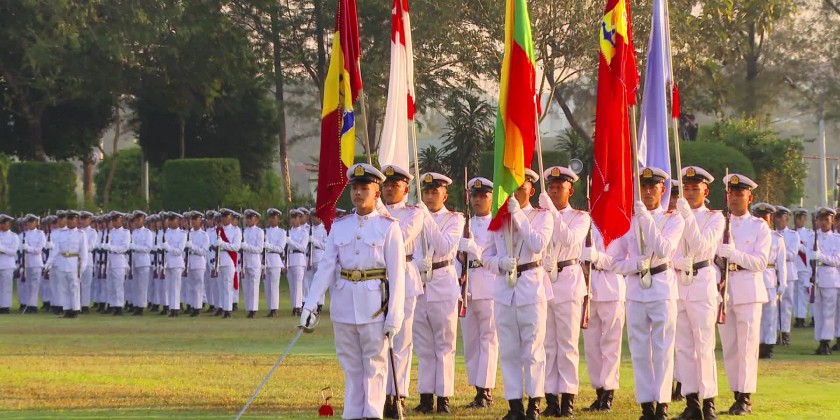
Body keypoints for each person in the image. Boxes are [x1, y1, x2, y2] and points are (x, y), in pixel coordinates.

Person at [300, 163, 406, 420]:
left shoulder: (389, 227)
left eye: (364, 188)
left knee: (375, 365)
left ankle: (372, 414)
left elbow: (398, 275)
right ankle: (352, 414)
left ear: (377, 192)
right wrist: (310, 304)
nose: (358, 193)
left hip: (374, 306)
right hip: (344, 304)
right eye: (355, 188)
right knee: (350, 365)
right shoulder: (340, 226)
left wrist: (395, 315)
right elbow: (326, 267)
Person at [612, 167, 684, 420]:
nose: (648, 191)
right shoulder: (627, 220)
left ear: (663, 190)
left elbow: (664, 249)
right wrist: (634, 266)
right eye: (643, 187)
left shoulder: (674, 219)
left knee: (663, 349)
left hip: (662, 287)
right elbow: (614, 261)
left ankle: (662, 403)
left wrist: (645, 220)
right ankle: (646, 406)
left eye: (653, 187)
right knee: (640, 351)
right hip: (635, 289)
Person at [482, 168, 553, 420]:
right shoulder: (498, 219)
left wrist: (518, 215)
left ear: (531, 190)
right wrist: (500, 262)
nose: (515, 193)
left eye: (521, 188)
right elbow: (485, 255)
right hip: (504, 290)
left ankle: (534, 405)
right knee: (509, 350)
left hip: (531, 289)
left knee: (533, 350)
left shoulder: (542, 216)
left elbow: (537, 244)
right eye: (512, 187)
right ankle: (514, 407)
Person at [671, 166, 725, 420]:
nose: (691, 193)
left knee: (704, 345)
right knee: (683, 347)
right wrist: (675, 261)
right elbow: (667, 250)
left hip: (702, 283)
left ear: (706, 190)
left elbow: (702, 245)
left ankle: (709, 402)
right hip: (679, 284)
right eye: (687, 188)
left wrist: (687, 217)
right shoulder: (674, 216)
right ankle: (691, 401)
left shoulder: (715, 217)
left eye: (696, 188)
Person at [716, 173, 770, 415]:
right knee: (730, 347)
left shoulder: (759, 226)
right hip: (725, 290)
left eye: (740, 194)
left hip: (748, 289)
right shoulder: (718, 222)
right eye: (731, 193)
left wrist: (734, 254)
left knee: (747, 346)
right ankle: (735, 393)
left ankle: (745, 398)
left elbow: (760, 262)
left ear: (750, 197)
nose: (735, 198)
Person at [539, 166, 590, 417]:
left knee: (567, 344)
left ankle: (568, 398)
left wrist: (550, 212)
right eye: (551, 187)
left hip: (568, 281)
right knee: (547, 343)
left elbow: (569, 239)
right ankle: (550, 398)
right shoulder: (542, 215)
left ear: (570, 190)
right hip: (544, 280)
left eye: (560, 188)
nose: (555, 190)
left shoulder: (580, 217)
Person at [412, 172, 464, 415]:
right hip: (418, 286)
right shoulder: (415, 217)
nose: (430, 196)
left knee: (444, 345)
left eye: (435, 192)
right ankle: (425, 397)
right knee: (423, 346)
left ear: (445, 194)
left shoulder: (455, 219)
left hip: (443, 284)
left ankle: (443, 398)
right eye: (427, 192)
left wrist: (426, 219)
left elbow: (444, 246)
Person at [380, 164, 424, 418]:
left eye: (394, 185)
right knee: (377, 341)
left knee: (402, 341)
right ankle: (380, 393)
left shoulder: (414, 213)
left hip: (404, 273)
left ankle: (398, 396)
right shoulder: (373, 212)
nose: (388, 189)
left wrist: (378, 211)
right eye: (385, 185)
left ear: (405, 189)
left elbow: (400, 237)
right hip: (377, 276)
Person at [457, 177, 499, 410]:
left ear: (491, 198)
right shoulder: (465, 224)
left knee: (488, 341)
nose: (478, 200)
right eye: (474, 196)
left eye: (483, 195)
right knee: (472, 342)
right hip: (468, 287)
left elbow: (494, 257)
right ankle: (477, 388)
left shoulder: (497, 225)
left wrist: (474, 249)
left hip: (488, 284)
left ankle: (487, 390)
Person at [580, 224, 626, 412]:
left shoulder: (621, 226)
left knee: (610, 345)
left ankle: (608, 392)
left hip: (612, 288)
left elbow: (622, 261)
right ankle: (598, 391)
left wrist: (598, 258)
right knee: (591, 346)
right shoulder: (587, 226)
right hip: (590, 288)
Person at [751, 203, 786, 360]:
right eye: (760, 217)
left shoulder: (777, 239)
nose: (763, 221)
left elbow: (782, 264)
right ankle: (756, 345)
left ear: (770, 218)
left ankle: (769, 345)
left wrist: (782, 283)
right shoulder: (751, 235)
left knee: (770, 315)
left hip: (770, 278)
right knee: (755, 314)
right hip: (754, 277)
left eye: (766, 218)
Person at [45, 211, 89, 318]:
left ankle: (75, 310)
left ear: (76, 220)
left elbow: (84, 252)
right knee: (63, 288)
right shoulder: (61, 234)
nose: (70, 221)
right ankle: (67, 309)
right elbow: (56, 250)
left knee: (74, 287)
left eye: (72, 219)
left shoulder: (81, 234)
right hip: (62, 262)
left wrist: (82, 267)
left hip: (74, 262)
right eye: (68, 219)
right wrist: (49, 262)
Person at [810, 207, 840, 355]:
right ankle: (820, 340)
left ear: (832, 221)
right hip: (816, 278)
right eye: (821, 220)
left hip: (830, 278)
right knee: (818, 312)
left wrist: (820, 257)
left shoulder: (837, 239)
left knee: (829, 312)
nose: (823, 223)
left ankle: (826, 342)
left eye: (826, 220)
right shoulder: (813, 237)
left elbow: (837, 260)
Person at [775, 206, 800, 345]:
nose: (779, 220)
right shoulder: (771, 234)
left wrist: (778, 255)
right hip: (774, 273)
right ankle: (775, 332)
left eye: (782, 217)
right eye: (777, 217)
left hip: (788, 273)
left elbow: (792, 255)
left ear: (787, 219)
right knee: (774, 306)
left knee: (786, 305)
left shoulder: (793, 235)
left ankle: (785, 333)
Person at [215, 209, 241, 319]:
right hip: (220, 260)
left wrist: (223, 244)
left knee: (228, 286)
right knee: (220, 286)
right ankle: (222, 307)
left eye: (226, 216)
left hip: (229, 260)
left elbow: (236, 247)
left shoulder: (236, 230)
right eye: (222, 217)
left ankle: (228, 310)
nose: (224, 219)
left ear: (230, 218)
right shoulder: (218, 230)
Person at [240, 209, 265, 319]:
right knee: (246, 287)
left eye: (251, 218)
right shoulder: (243, 231)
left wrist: (246, 247)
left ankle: (253, 309)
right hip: (245, 262)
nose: (248, 220)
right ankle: (248, 308)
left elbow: (259, 249)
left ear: (256, 219)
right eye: (247, 218)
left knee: (254, 287)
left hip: (254, 262)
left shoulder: (259, 232)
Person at [263, 208, 287, 318]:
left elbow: (280, 248)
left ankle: (274, 309)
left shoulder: (282, 232)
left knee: (274, 286)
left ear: (278, 219)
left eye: (274, 218)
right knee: (267, 286)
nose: (272, 220)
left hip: (275, 260)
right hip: (266, 260)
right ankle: (270, 308)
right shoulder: (264, 231)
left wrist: (268, 246)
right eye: (270, 218)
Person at [20, 214, 46, 313]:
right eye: (28, 222)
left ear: (36, 223)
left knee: (35, 285)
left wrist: (28, 248)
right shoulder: (24, 234)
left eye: (32, 222)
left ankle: (33, 306)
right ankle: (28, 304)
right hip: (27, 263)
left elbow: (39, 250)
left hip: (36, 263)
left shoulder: (40, 234)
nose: (30, 224)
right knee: (28, 285)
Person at [129, 211, 154, 316]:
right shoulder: (134, 232)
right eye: (135, 220)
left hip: (143, 261)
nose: (137, 222)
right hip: (135, 261)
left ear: (143, 220)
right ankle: (136, 305)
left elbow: (148, 248)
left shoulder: (147, 233)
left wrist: (134, 247)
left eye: (139, 220)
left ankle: (141, 306)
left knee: (142, 286)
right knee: (135, 285)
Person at [792, 208, 813, 328]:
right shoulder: (790, 233)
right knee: (794, 295)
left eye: (801, 217)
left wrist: (798, 245)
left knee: (803, 295)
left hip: (804, 268)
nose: (799, 220)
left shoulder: (810, 234)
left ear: (805, 219)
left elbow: (809, 251)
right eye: (797, 217)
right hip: (794, 267)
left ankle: (802, 317)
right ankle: (797, 317)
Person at [185, 211, 209, 317]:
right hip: (189, 262)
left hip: (199, 262)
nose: (193, 222)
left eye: (196, 220)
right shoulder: (188, 234)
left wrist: (192, 247)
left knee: (198, 286)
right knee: (190, 286)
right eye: (192, 220)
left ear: (200, 221)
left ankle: (198, 307)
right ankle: (191, 306)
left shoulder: (204, 235)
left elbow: (203, 251)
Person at [286, 209, 307, 316]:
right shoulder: (288, 232)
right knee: (292, 285)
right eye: (292, 218)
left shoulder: (304, 232)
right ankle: (294, 306)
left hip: (299, 259)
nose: (293, 220)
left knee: (298, 285)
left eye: (295, 218)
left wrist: (290, 241)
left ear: (300, 219)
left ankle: (298, 307)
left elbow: (303, 247)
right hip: (290, 259)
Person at [0, 214, 19, 314]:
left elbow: (13, 252)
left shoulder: (13, 236)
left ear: (9, 224)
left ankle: (5, 307)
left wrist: (2, 249)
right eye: (1, 223)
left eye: (4, 223)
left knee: (6, 286)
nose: (2, 225)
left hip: (7, 264)